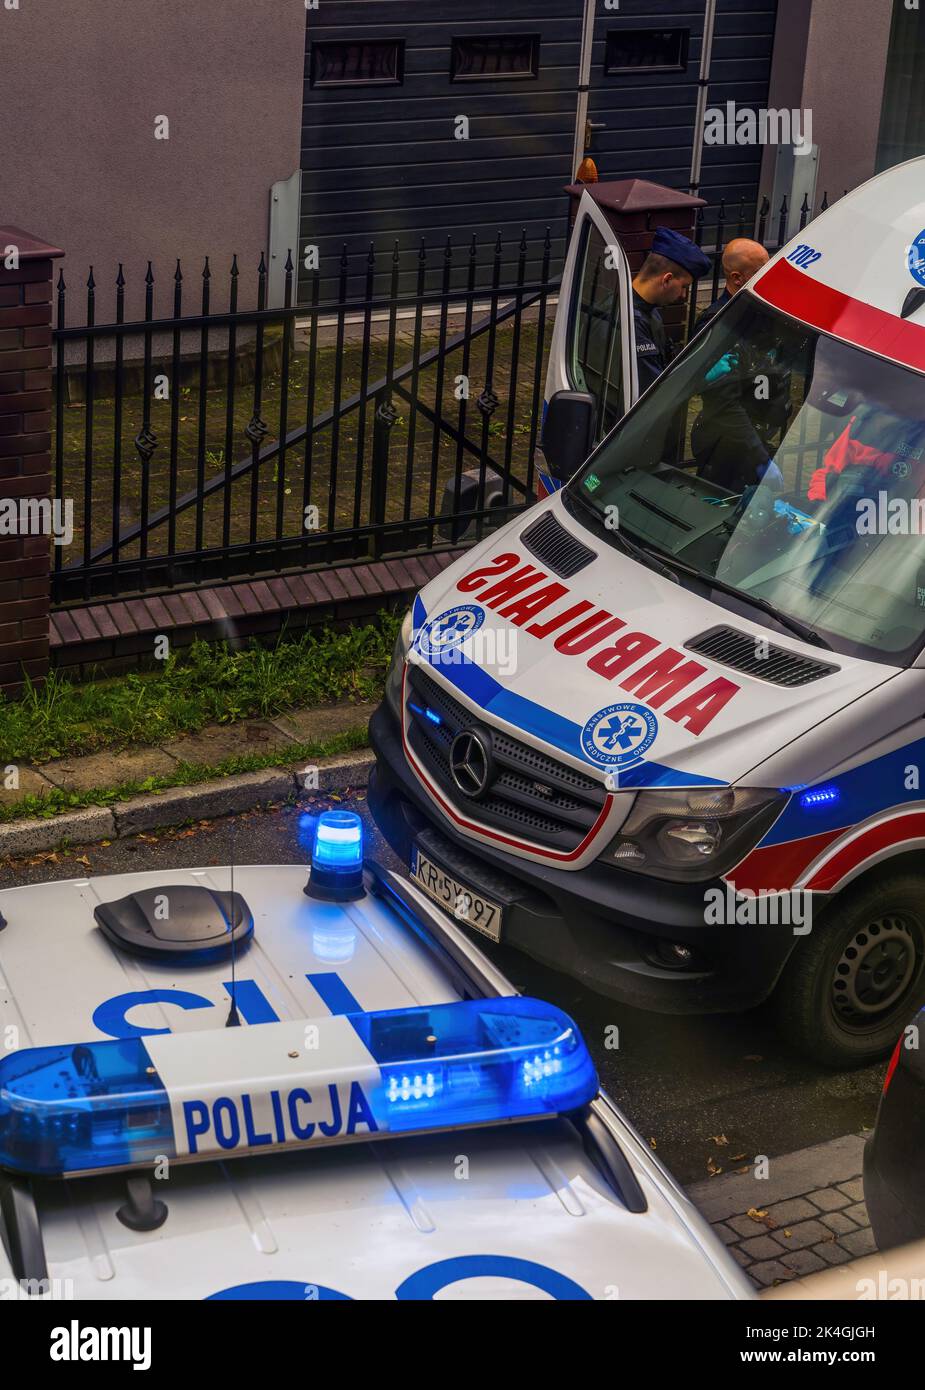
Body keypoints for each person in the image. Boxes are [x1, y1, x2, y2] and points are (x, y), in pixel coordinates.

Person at [631, 227, 711, 392]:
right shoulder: (635, 324)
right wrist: (699, 379)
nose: (683, 295)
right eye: (684, 286)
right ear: (667, 279)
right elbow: (655, 394)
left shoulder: (647, 310)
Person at [695, 238, 769, 331]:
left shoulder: (763, 304)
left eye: (769, 268)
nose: (769, 275)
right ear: (737, 278)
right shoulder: (717, 321)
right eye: (761, 272)